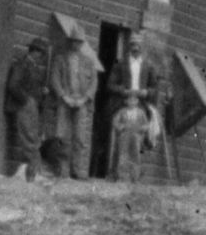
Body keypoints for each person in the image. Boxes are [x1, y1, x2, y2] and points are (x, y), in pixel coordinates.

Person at [48, 25, 100, 179]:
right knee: (62, 136)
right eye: (73, 41)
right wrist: (64, 97)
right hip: (65, 101)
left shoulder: (89, 62)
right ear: (69, 41)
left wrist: (85, 98)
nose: (76, 44)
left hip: (82, 102)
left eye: (79, 42)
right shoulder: (60, 59)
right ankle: (63, 171)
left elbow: (94, 83)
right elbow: (54, 79)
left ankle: (78, 170)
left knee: (80, 138)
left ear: (82, 43)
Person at [111, 31, 158, 183]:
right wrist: (123, 90)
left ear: (142, 46)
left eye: (138, 45)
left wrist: (146, 92)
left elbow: (155, 88)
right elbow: (110, 84)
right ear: (128, 46)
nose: (135, 47)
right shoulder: (121, 64)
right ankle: (116, 173)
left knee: (143, 135)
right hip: (124, 102)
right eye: (132, 45)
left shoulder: (148, 66)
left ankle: (135, 175)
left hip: (141, 103)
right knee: (119, 134)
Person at [3, 38, 48, 177]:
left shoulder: (32, 66)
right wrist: (26, 100)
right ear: (35, 52)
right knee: (29, 140)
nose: (42, 58)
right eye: (41, 54)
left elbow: (31, 87)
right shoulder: (22, 65)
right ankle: (35, 173)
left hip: (31, 107)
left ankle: (35, 172)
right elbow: (13, 85)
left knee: (33, 138)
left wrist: (41, 92)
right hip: (24, 107)